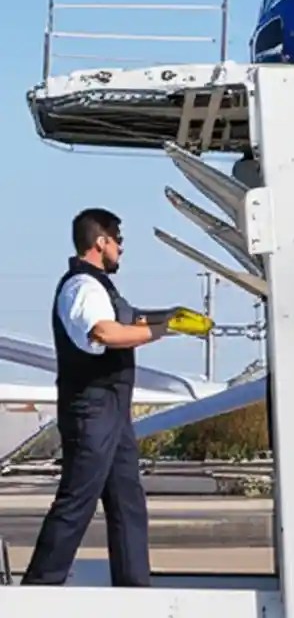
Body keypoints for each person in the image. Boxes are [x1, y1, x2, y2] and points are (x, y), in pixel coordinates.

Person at [21, 208, 177, 587]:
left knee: (128, 504)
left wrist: (171, 317)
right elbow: (105, 332)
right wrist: (163, 329)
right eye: (118, 239)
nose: (122, 248)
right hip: (92, 409)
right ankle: (38, 592)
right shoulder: (82, 287)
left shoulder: (102, 288)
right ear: (100, 242)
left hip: (113, 411)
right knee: (77, 502)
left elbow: (130, 319)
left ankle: (135, 592)